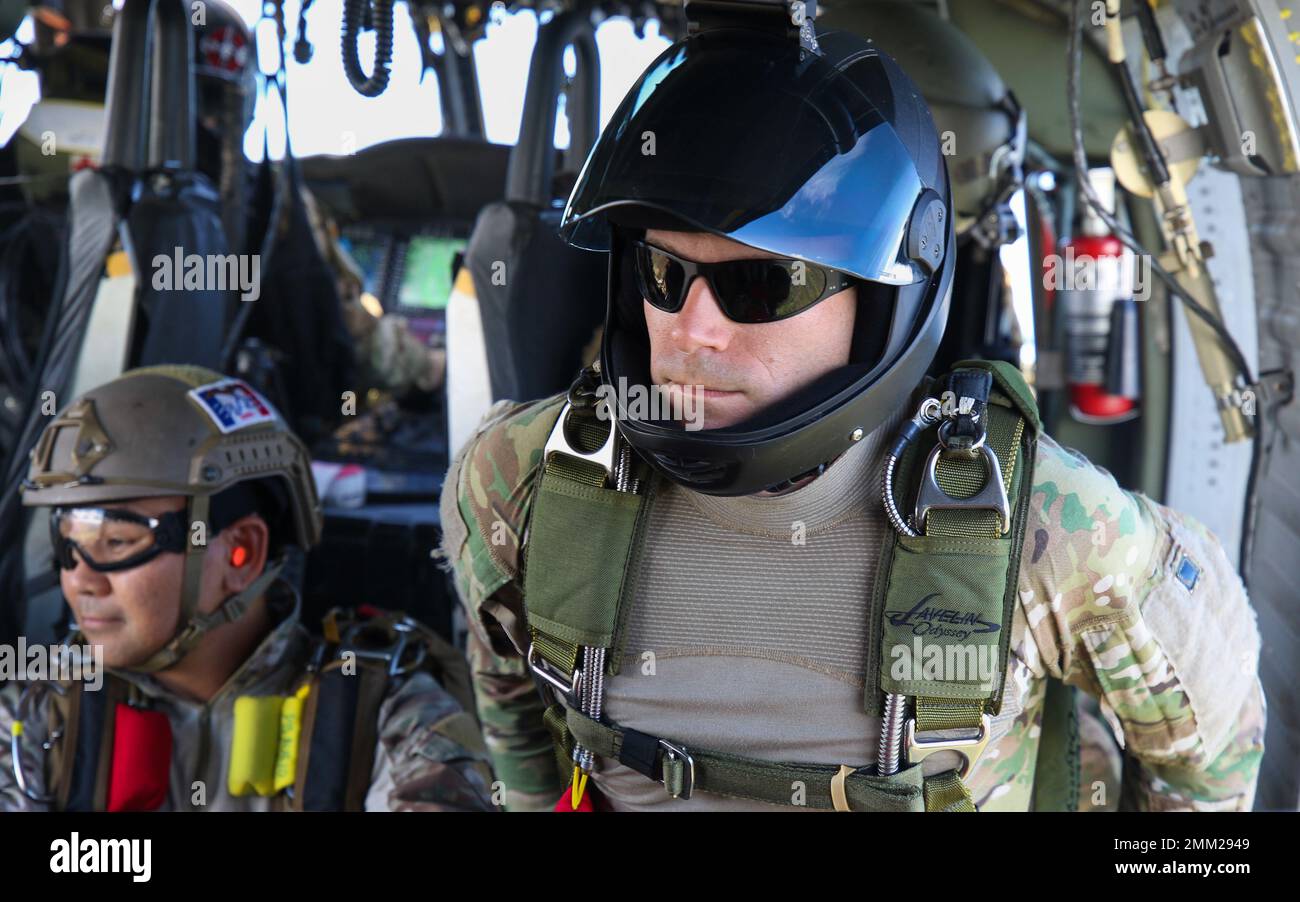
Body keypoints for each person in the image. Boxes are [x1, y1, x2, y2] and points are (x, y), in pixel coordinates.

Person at [439, 21, 1264, 811]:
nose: (693, 332)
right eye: (663, 273)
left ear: (880, 306)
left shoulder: (1050, 528)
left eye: (761, 287)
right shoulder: (519, 481)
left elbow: (1212, 747)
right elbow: (510, 698)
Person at [2, 365, 495, 811]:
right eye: (68, 546)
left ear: (242, 553)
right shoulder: (35, 715)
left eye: (116, 541)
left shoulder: (389, 721)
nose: (80, 579)